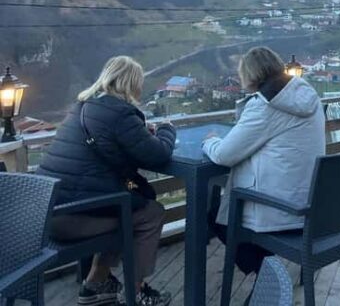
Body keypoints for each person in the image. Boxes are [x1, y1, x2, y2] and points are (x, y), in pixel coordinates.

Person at [38, 56, 175, 306]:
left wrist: (140, 135)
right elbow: (159, 155)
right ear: (132, 83)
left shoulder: (83, 106)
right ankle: (136, 291)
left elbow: (105, 150)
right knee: (150, 213)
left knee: (126, 209)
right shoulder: (121, 113)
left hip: (46, 213)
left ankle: (94, 284)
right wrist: (167, 129)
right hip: (73, 216)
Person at [203, 47, 325, 286]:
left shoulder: (265, 105)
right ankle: (269, 274)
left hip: (280, 210)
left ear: (249, 75)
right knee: (224, 209)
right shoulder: (306, 93)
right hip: (309, 204)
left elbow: (224, 155)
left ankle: (271, 277)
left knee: (215, 216)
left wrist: (210, 141)